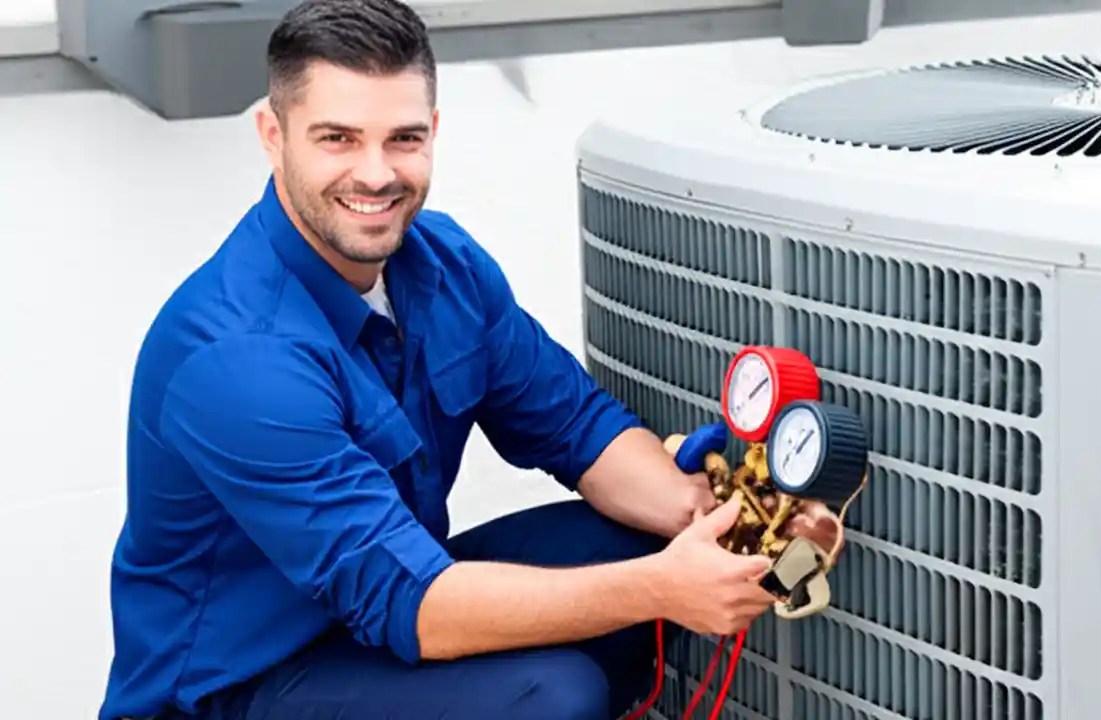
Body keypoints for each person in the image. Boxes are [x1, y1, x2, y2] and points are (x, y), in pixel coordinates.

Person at [99, 1, 841, 718]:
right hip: (237, 687)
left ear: (434, 132)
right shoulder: (237, 358)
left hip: (376, 610)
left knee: (644, 536)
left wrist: (723, 522)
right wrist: (662, 588)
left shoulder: (442, 264)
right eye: (337, 138)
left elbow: (577, 427)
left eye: (403, 139)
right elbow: (407, 602)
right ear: (272, 134)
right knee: (553, 695)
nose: (375, 173)